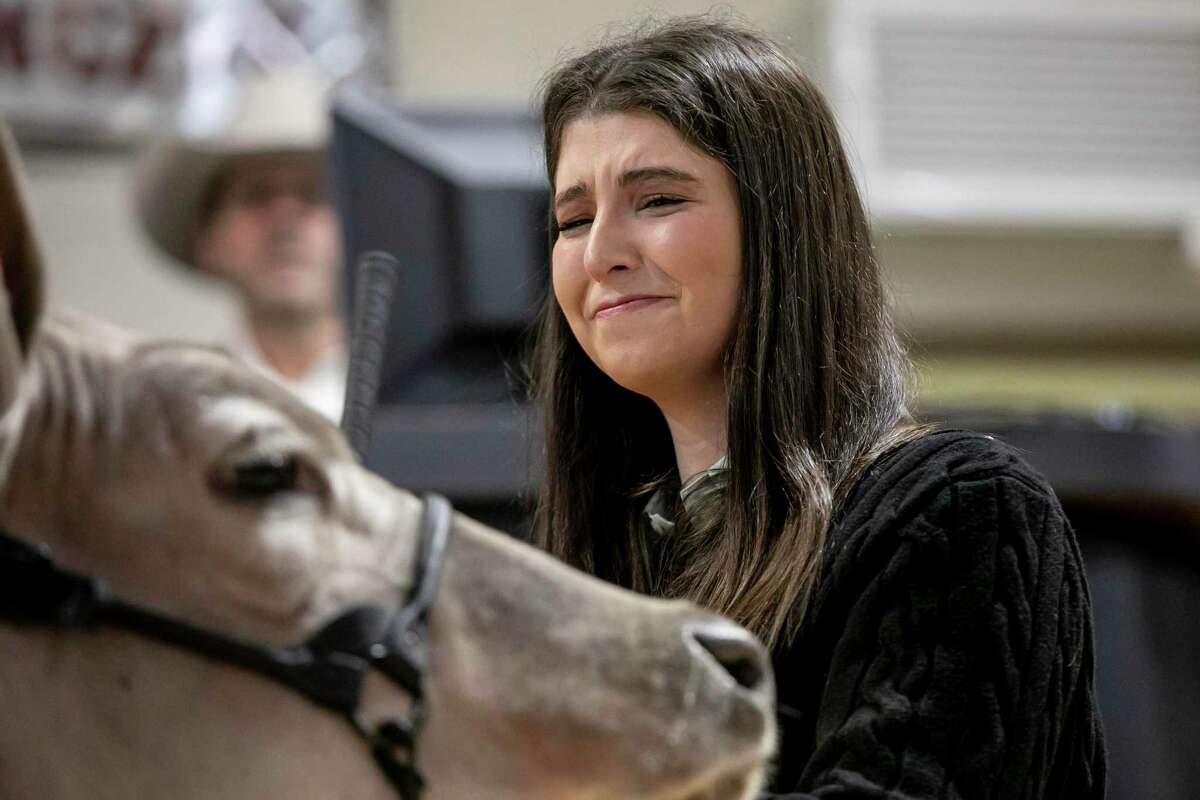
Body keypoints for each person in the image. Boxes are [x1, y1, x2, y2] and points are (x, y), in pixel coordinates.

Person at [530, 17, 1106, 797]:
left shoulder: (962, 509)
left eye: (657, 199)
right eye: (572, 220)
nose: (600, 252)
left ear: (783, 227)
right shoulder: (600, 571)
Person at [135, 69, 347, 423]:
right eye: (257, 196)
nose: (286, 221)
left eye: (313, 195)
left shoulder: (423, 411)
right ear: (207, 239)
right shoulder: (168, 417)